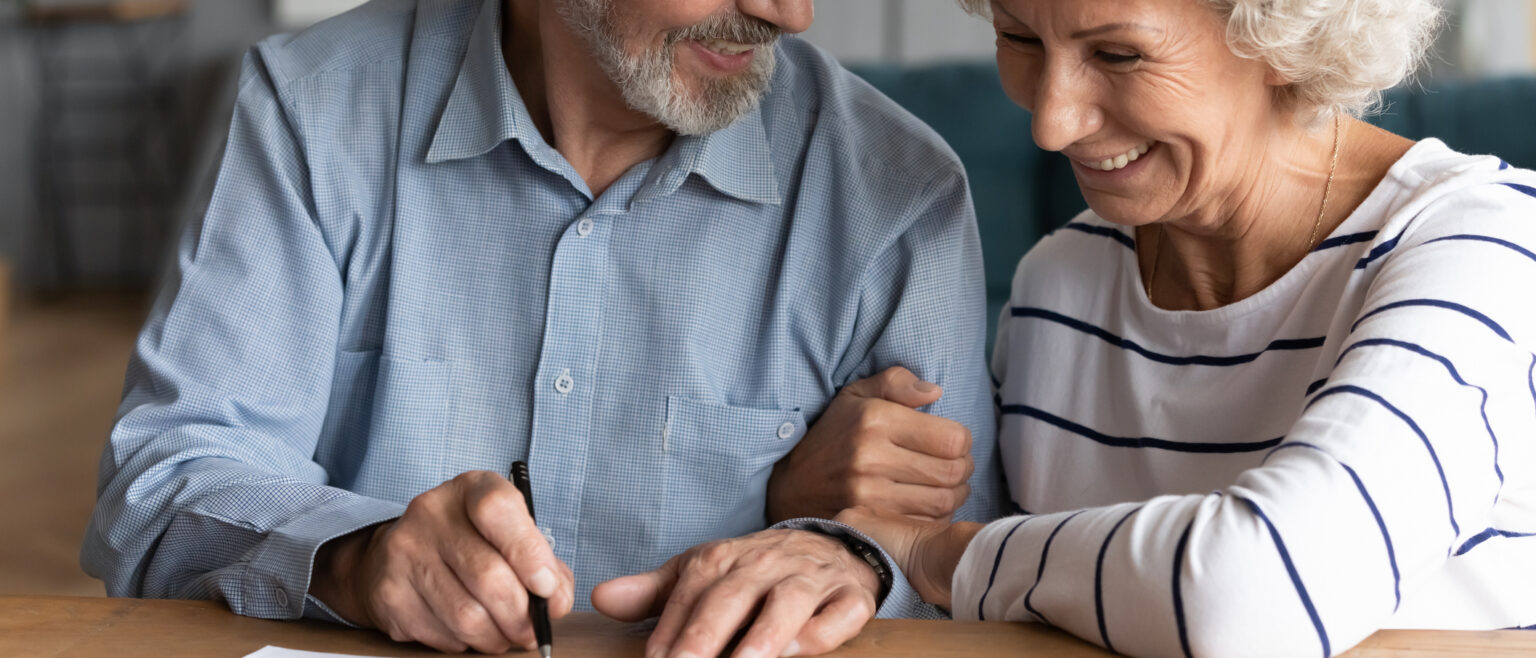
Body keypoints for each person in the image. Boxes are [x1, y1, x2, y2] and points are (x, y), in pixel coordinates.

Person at [79, 0, 1007, 654]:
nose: (789, 11)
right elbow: (163, 486)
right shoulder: (313, 110)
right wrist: (359, 560)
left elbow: (958, 584)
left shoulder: (897, 196)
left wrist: (820, 537)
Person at [657, 0, 1536, 655]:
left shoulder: (1482, 247)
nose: (1051, 120)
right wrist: (822, 509)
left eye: (1119, 54)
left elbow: (1254, 592)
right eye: (1019, 39)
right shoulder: (1062, 283)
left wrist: (930, 550)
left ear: (1282, 39)